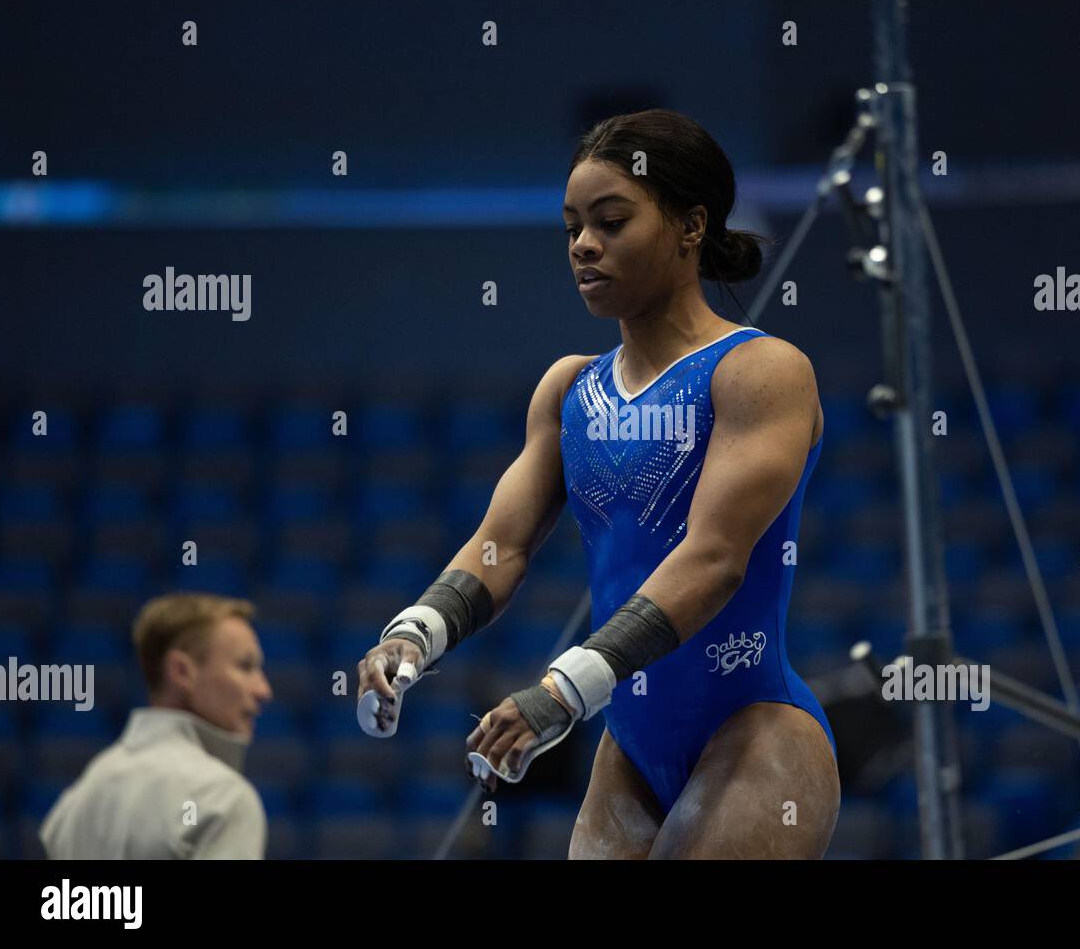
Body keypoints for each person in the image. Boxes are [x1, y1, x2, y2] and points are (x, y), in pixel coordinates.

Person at [359, 109, 839, 859]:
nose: (584, 244)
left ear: (690, 226)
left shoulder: (760, 372)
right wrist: (415, 632)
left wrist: (562, 691)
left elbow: (715, 558)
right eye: (572, 226)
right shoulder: (568, 390)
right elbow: (500, 545)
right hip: (631, 743)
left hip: (754, 731)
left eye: (612, 221)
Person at [41, 592, 272, 859]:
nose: (263, 690)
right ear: (182, 672)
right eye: (245, 666)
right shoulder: (223, 799)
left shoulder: (79, 797)